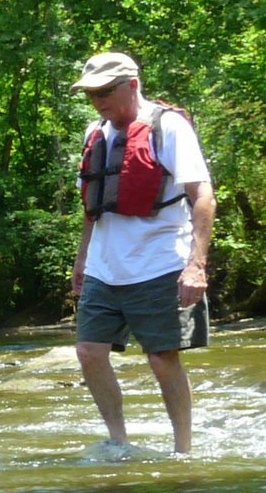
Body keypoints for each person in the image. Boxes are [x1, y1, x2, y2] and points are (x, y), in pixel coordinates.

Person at [70, 51, 215, 453]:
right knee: (88, 352)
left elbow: (202, 196)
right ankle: (119, 443)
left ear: (131, 85)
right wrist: (82, 259)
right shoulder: (94, 133)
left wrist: (196, 265)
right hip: (104, 266)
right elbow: (91, 205)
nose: (98, 101)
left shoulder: (168, 127)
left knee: (161, 358)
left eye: (104, 92)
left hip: (160, 263)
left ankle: (183, 449)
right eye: (91, 94)